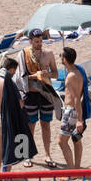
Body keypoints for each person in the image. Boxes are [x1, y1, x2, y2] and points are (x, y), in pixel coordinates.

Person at [19, 30, 59, 167]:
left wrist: (47, 73)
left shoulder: (49, 54)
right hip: (31, 93)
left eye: (41, 40)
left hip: (46, 93)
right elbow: (20, 77)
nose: (39, 43)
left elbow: (56, 73)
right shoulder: (24, 54)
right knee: (30, 125)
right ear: (30, 41)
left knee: (46, 124)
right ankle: (27, 155)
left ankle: (47, 154)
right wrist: (34, 76)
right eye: (36, 41)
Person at [57, 47, 87, 171]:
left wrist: (79, 120)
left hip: (71, 112)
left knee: (62, 142)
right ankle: (76, 169)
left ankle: (71, 171)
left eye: (61, 56)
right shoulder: (78, 71)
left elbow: (75, 99)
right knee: (76, 139)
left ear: (64, 59)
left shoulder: (71, 77)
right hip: (75, 111)